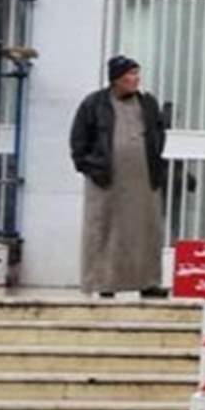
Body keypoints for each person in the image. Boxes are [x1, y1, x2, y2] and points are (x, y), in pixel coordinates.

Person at [70, 55, 169, 298]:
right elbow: (79, 141)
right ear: (116, 79)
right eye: (130, 74)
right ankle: (104, 283)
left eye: (137, 74)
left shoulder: (148, 103)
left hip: (144, 179)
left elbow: (158, 134)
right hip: (107, 180)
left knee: (147, 231)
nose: (136, 79)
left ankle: (148, 282)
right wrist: (90, 167)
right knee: (105, 231)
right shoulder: (94, 104)